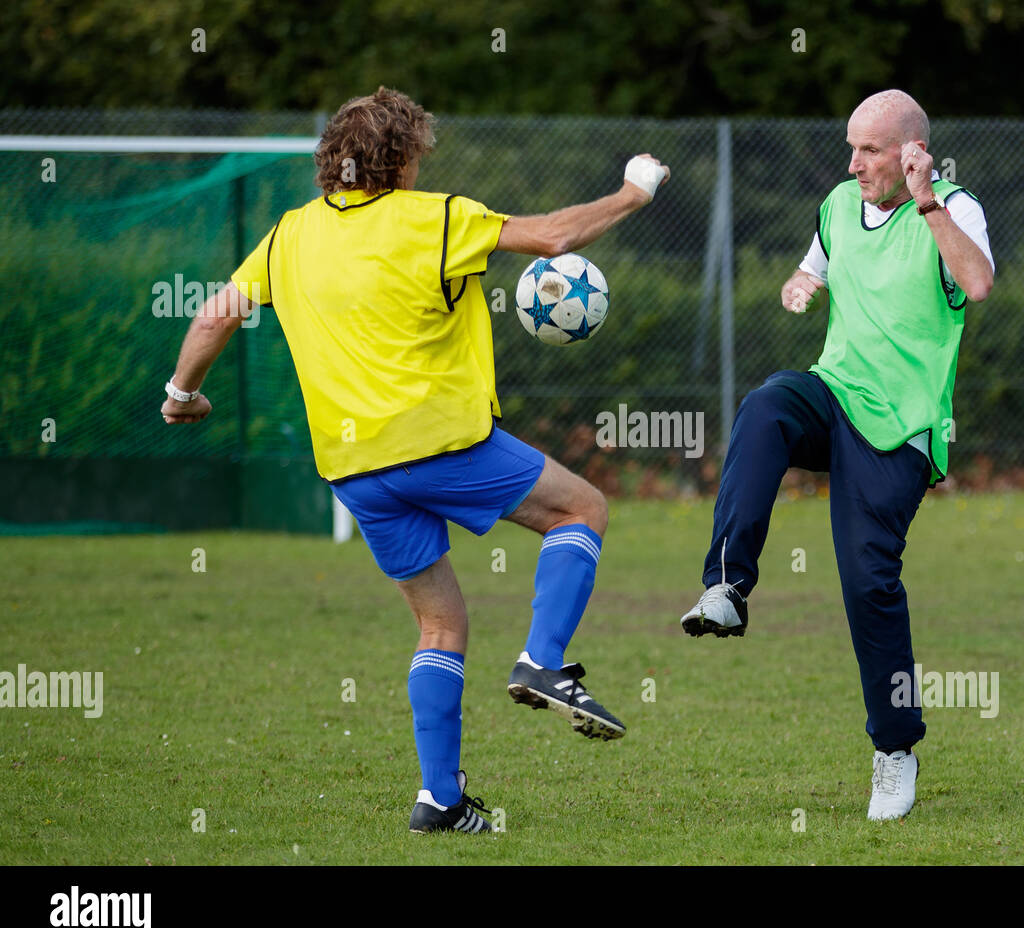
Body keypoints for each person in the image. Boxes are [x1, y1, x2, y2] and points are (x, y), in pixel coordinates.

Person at [160, 87, 669, 835]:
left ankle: (440, 800)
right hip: (441, 443)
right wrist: (634, 191)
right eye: (418, 155)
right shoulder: (434, 217)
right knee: (581, 509)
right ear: (402, 159)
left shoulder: (288, 235)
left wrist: (180, 393)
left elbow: (215, 314)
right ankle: (543, 662)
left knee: (440, 624)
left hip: (354, 471)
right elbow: (556, 238)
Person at [679, 89, 993, 821]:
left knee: (868, 581)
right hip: (836, 391)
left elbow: (976, 284)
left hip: (902, 426)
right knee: (765, 407)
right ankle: (726, 588)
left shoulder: (953, 207)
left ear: (914, 151)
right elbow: (814, 268)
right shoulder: (836, 204)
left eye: (870, 150)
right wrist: (802, 284)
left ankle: (894, 750)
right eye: (851, 147)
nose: (853, 163)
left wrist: (927, 202)